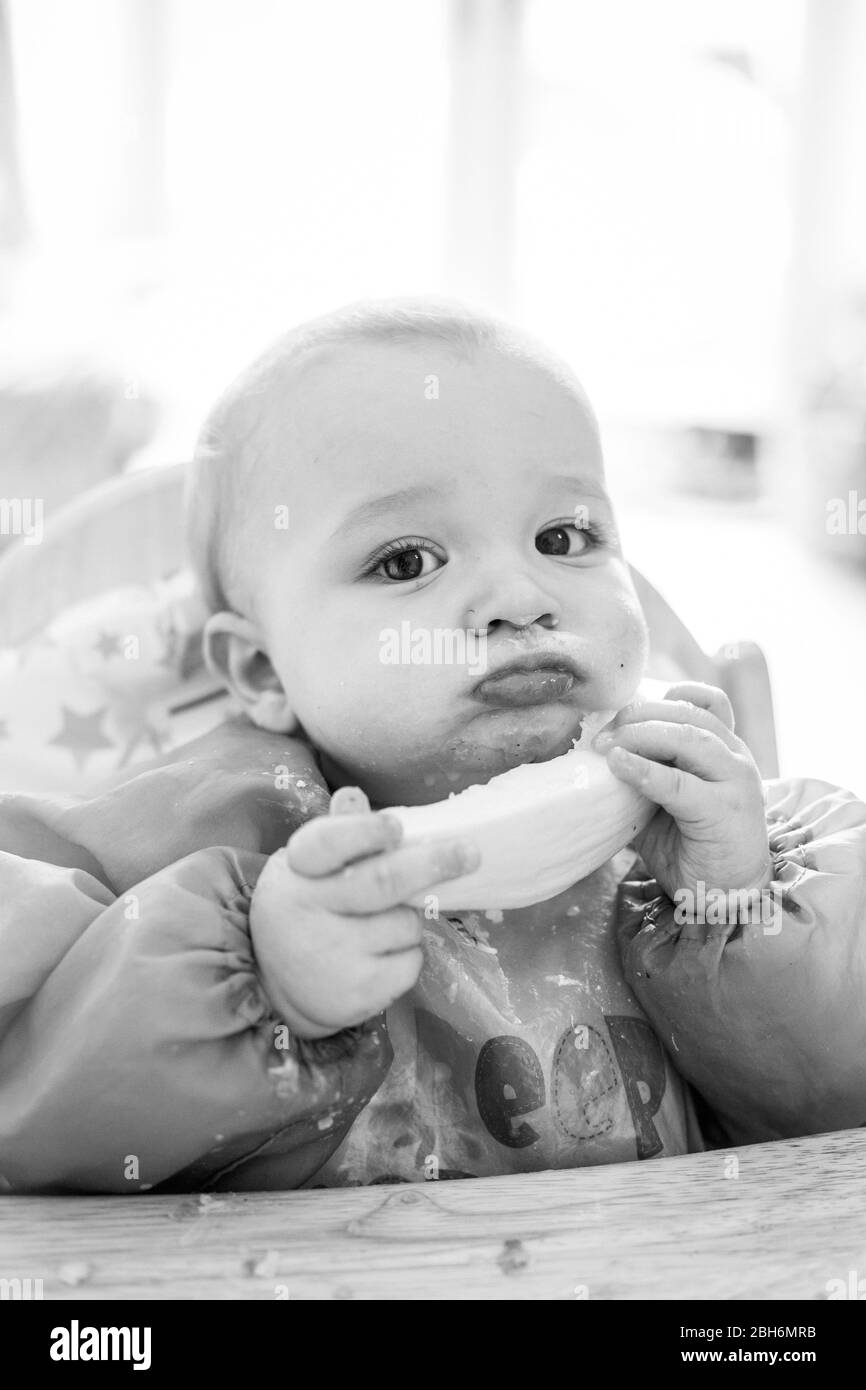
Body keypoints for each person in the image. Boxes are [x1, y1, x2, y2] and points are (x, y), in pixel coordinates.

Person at [1, 300, 863, 1193]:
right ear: (261, 668)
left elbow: (828, 1129)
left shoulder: (701, 821)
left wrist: (736, 910)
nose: (519, 597)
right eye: (407, 561)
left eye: (564, 538)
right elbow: (33, 1110)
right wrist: (267, 990)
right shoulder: (193, 845)